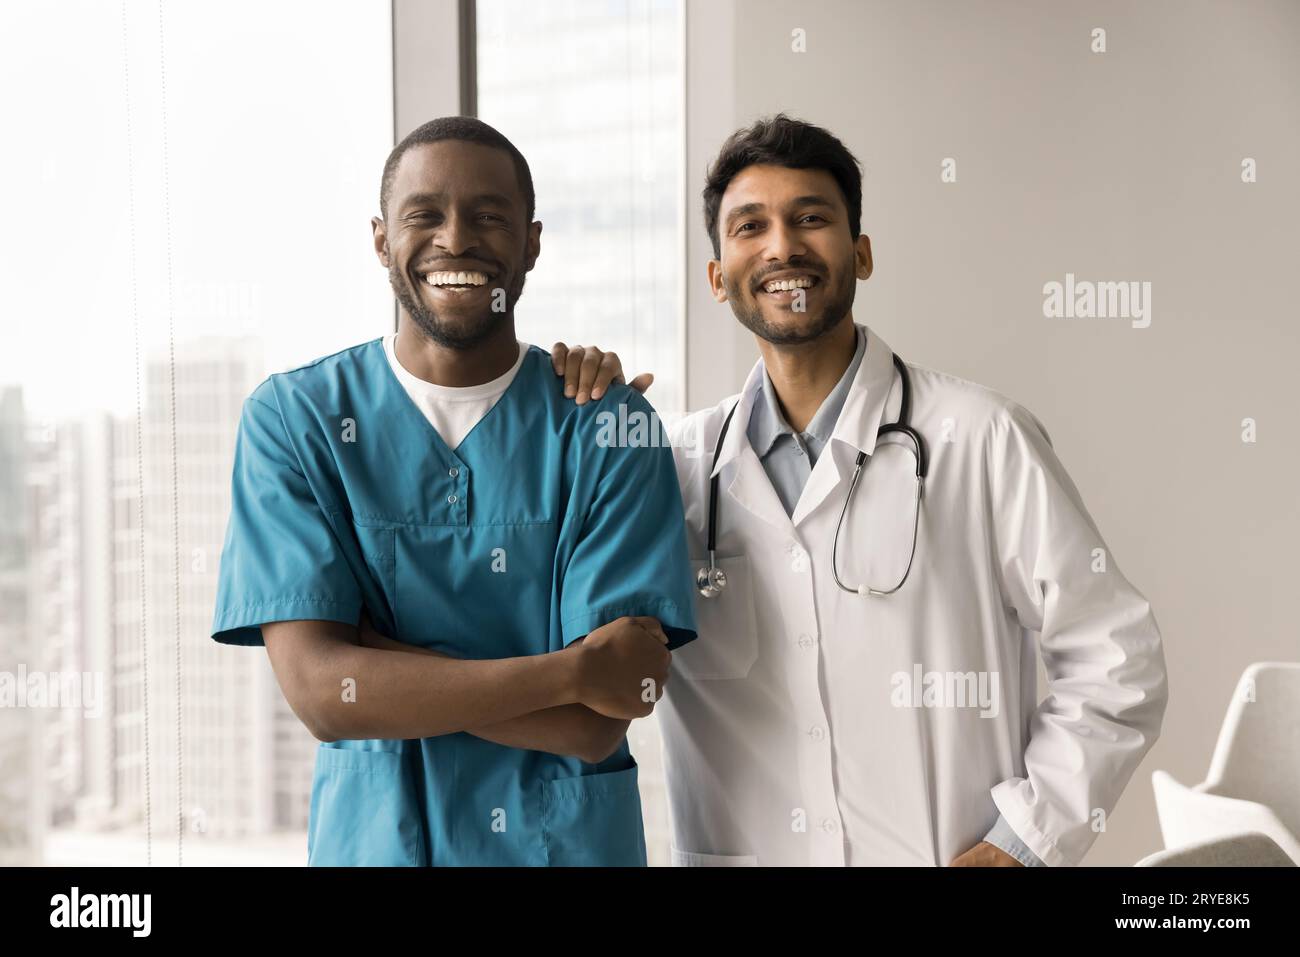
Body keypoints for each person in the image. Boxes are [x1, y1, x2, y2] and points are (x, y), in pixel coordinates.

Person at [551, 114, 1168, 866]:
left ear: (861, 253)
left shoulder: (981, 437)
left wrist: (1021, 844)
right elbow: (572, 644)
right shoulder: (670, 466)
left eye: (811, 218)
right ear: (718, 276)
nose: (783, 246)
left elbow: (1118, 658)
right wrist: (581, 416)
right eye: (751, 227)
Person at [210, 116, 698, 866]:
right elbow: (322, 696)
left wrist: (379, 662)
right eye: (424, 214)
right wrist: (569, 672)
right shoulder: (296, 420)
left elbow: (601, 719)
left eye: (489, 215)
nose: (456, 238)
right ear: (381, 240)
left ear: (531, 242)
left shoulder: (609, 426)